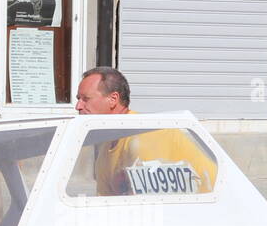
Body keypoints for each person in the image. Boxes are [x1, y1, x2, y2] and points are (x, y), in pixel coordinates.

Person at [74, 67, 218, 196]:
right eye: (78, 99)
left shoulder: (143, 136)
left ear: (113, 99)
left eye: (86, 99)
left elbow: (153, 206)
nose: (78, 106)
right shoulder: (107, 146)